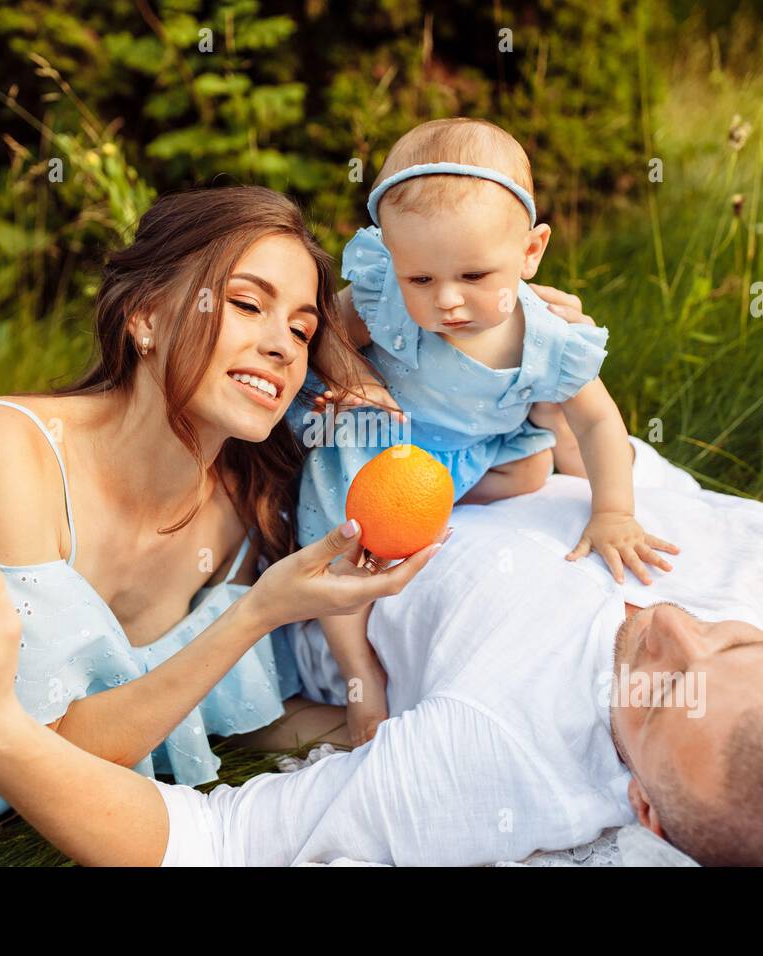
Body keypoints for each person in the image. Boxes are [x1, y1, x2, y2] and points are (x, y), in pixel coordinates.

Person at [0, 185, 458, 865]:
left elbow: (216, 716)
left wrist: (399, 730)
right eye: (245, 303)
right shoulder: (13, 451)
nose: (280, 345)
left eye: (300, 330)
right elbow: (55, 746)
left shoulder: (247, 517)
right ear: (145, 317)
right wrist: (264, 612)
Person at [0, 440, 763, 867]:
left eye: (660, 697)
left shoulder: (496, 759)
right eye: (728, 640)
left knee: (48, 547)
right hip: (402, 428)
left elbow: (210, 843)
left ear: (646, 813)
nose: (670, 625)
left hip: (271, 540)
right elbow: (624, 462)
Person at [290, 118, 677, 745]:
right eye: (421, 279)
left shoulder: (545, 337)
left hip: (471, 446)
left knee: (531, 470)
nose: (445, 300)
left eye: (473, 277)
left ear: (530, 252)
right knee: (345, 543)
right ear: (394, 259)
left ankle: (444, 503)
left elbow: (601, 419)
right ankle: (360, 672)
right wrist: (354, 377)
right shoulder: (384, 296)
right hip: (383, 439)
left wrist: (613, 512)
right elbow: (326, 336)